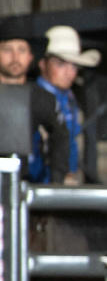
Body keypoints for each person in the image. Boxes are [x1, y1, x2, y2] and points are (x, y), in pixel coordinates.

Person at [0, 21, 70, 183]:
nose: (15, 57)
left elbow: (60, 138)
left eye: (22, 50)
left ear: (30, 56)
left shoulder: (41, 98)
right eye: (7, 49)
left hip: (26, 181)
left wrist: (56, 183)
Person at [34, 25, 100, 185]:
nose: (69, 72)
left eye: (74, 66)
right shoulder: (33, 100)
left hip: (62, 179)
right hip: (40, 182)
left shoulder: (70, 98)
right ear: (42, 63)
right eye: (60, 64)